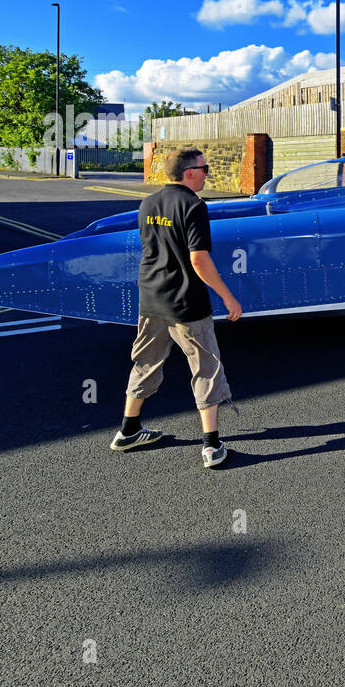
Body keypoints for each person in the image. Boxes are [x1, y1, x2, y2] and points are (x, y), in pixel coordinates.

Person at [111, 148, 244, 465]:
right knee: (206, 368)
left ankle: (128, 430)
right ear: (189, 172)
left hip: (151, 299)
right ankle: (211, 445)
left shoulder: (148, 203)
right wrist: (227, 296)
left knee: (145, 362)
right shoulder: (194, 206)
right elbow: (198, 259)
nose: (206, 173)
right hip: (186, 302)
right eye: (204, 168)